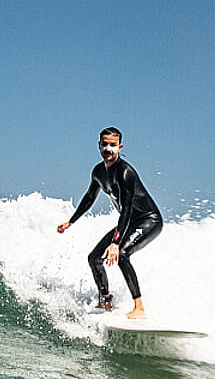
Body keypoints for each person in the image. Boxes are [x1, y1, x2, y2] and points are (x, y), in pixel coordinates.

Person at [57, 127, 162, 319]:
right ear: (99, 145)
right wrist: (70, 222)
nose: (108, 148)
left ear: (120, 147)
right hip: (129, 222)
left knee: (121, 254)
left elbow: (127, 208)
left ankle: (139, 307)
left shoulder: (125, 173)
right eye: (104, 144)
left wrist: (115, 243)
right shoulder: (98, 172)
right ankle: (105, 299)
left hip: (149, 220)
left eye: (112, 145)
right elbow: (89, 198)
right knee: (94, 258)